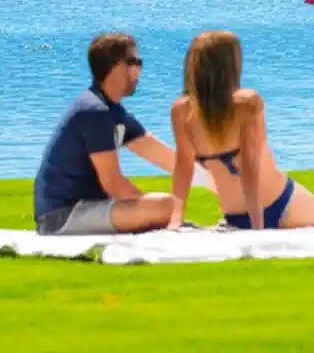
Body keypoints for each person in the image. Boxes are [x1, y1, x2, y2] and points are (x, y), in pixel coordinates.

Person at [33, 33, 213, 235]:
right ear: (117, 67)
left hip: (87, 207)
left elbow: (162, 155)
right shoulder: (94, 112)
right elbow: (113, 183)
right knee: (166, 205)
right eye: (135, 62)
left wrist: (215, 183)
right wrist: (152, 212)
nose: (139, 70)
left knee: (165, 206)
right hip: (63, 215)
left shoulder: (113, 112)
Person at [168, 31, 314, 230]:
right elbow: (183, 166)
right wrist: (175, 218)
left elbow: (250, 165)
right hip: (241, 216)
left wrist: (257, 226)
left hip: (288, 204)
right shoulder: (182, 111)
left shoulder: (245, 103)